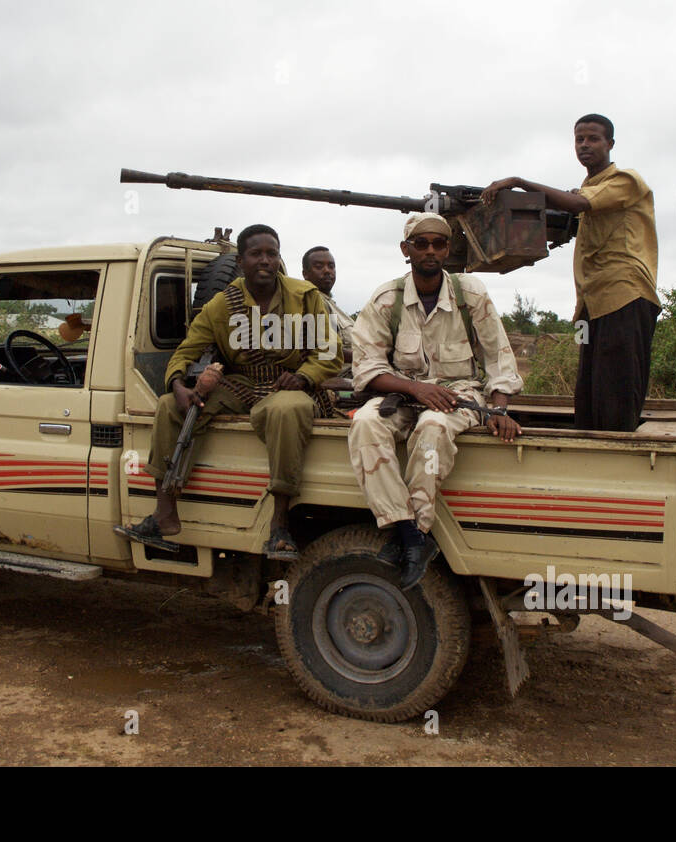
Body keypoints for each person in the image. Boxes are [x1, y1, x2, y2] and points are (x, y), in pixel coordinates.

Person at [115, 224, 343, 560]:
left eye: (272, 253)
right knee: (169, 406)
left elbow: (330, 353)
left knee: (286, 410)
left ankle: (280, 523)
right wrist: (179, 385)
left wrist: (305, 377)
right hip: (244, 382)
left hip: (289, 382)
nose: (265, 261)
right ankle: (164, 514)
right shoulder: (222, 305)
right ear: (241, 260)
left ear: (280, 258)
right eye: (256, 254)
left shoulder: (304, 296)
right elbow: (185, 352)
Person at [348, 212, 523, 588]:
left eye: (438, 244)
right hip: (403, 393)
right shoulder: (386, 299)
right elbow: (367, 366)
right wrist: (416, 389)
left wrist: (498, 408)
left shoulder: (469, 294)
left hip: (458, 395)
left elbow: (498, 356)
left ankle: (411, 532)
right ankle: (410, 533)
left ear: (447, 249)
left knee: (433, 427)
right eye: (421, 243)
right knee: (363, 422)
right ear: (405, 250)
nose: (430, 250)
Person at [481, 113, 659, 431]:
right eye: (579, 139)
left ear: (610, 144)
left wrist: (519, 184)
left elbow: (577, 206)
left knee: (617, 393)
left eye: (593, 138)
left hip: (624, 296)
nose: (584, 145)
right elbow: (566, 214)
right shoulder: (585, 189)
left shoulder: (625, 181)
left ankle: (620, 467)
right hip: (590, 305)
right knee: (589, 395)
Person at [300, 245, 355, 365]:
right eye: (319, 267)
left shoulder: (330, 303)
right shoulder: (313, 301)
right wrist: (367, 358)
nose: (327, 271)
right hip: (341, 374)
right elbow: (324, 350)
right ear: (305, 274)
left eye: (331, 266)